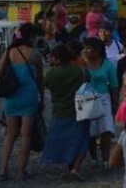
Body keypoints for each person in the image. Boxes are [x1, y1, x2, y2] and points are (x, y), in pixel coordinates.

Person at [0, 22, 45, 180]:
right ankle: (21, 170)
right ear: (31, 37)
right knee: (26, 134)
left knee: (10, 135)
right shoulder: (35, 54)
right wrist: (42, 98)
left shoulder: (9, 51)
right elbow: (40, 80)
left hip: (12, 96)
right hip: (29, 96)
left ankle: (3, 170)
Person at [41, 43, 89, 180]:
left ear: (57, 59)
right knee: (81, 140)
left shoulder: (52, 74)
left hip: (60, 112)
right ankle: (76, 168)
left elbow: (46, 85)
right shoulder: (81, 71)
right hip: (81, 111)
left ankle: (67, 164)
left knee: (62, 140)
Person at [84, 37, 119, 166]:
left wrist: (115, 103)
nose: (86, 51)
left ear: (97, 50)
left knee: (106, 129)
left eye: (89, 48)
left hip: (104, 98)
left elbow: (114, 85)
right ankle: (93, 158)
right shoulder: (82, 63)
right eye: (85, 48)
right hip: (87, 99)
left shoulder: (108, 64)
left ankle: (105, 158)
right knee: (91, 131)